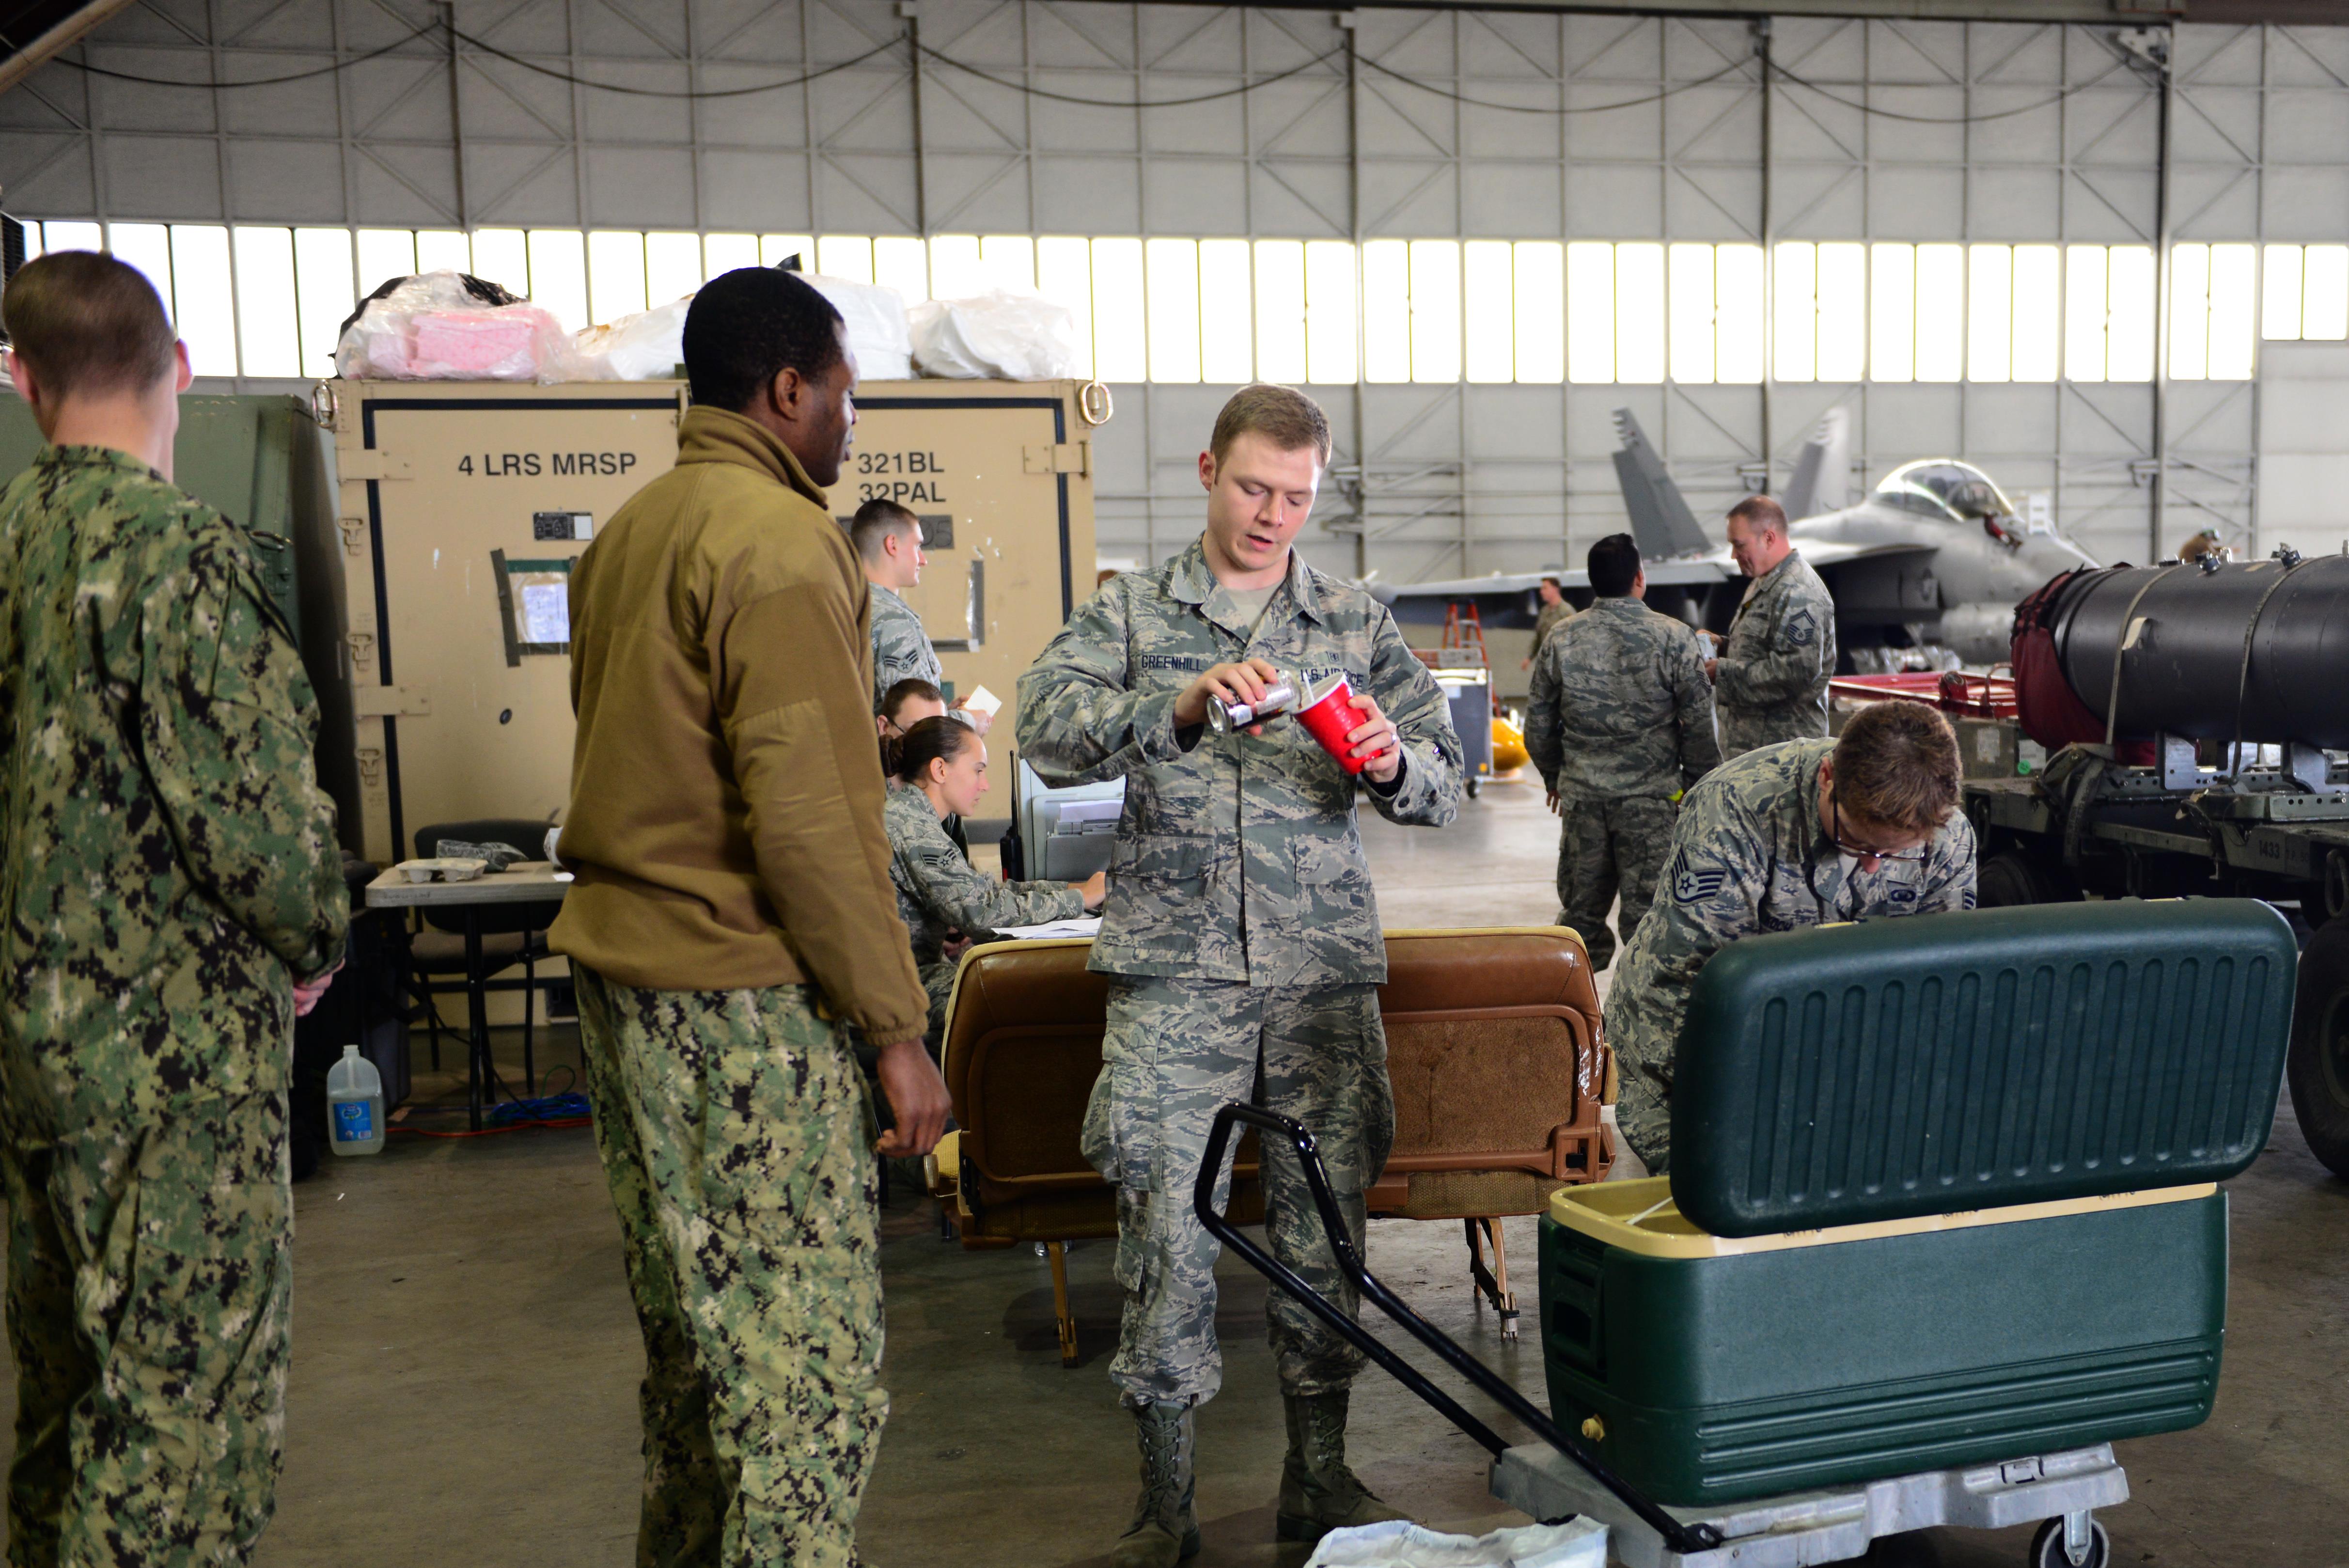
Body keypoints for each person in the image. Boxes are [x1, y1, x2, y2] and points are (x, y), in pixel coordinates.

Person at [1017, 384, 1463, 1566]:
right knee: (1166, 1230)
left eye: (1298, 497)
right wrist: (1169, 703)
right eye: (1255, 488)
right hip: (1176, 970)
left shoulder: (1353, 620)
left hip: (1319, 975)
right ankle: (1162, 1509)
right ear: (1208, 470)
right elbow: (1043, 727)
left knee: (1329, 1230)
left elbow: (1443, 777)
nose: (1273, 515)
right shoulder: (1128, 609)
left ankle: (1318, 1478)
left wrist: (1388, 763)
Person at [550, 266, 951, 1568]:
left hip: (627, 997)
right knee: (805, 1395)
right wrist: (897, 1028)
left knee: (698, 1376)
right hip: (741, 1013)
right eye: (844, 395)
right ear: (788, 391)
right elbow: (815, 824)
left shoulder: (630, 534)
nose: (850, 423)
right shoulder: (781, 548)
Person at [0, 251, 348, 1564]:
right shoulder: (183, 558)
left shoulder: (9, 543)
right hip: (176, 1069)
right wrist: (316, 941)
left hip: (32, 1059)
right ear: (182, 372)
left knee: (68, 1397)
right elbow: (265, 836)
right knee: (182, 1432)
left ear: (23, 379)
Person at [1604, 702, 1977, 1174]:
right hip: (1684, 1052)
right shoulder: (1735, 810)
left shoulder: (1946, 834)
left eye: (1894, 853)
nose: (1872, 865)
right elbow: (1684, 989)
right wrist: (1705, 1142)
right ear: (1827, 777)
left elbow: (1938, 987)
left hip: (1829, 1061)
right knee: (1699, 1194)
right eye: (1858, 844)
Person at [1524, 534, 1719, 970]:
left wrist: (1556, 777)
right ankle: (1639, 1031)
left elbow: (1536, 725)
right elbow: (1701, 726)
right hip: (1654, 804)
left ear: (1593, 582)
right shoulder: (1674, 637)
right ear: (1640, 579)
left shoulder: (1561, 638)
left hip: (1583, 802)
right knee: (1652, 925)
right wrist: (1695, 788)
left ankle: (1576, 1027)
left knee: (1579, 922)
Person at [882, 716, 1105, 1035]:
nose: (984, 784)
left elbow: (984, 892)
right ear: (940, 770)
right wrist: (1078, 899)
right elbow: (982, 914)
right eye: (978, 769)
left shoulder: (917, 816)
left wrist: (1072, 888)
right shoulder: (913, 827)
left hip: (905, 976)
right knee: (1027, 997)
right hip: (895, 988)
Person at [1707, 495, 1836, 760]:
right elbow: (1762, 650)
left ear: (1768, 538)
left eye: (1739, 545)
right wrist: (1723, 646)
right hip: (1755, 754)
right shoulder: (1764, 583)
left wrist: (1722, 673)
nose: (1734, 555)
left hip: (1783, 758)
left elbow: (1794, 672)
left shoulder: (1800, 592)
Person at [853, 497, 991, 733]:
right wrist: (969, 722)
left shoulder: (846, 607)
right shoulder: (894, 622)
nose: (923, 560)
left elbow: (883, 711)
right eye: (918, 546)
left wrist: (945, 712)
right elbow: (916, 727)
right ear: (893, 545)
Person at [1520, 574, 1575, 671]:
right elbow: (1538, 637)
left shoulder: (1567, 612)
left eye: (1545, 588)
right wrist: (1529, 658)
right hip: (1546, 663)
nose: (1541, 592)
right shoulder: (1544, 612)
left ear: (1555, 589)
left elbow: (1576, 637)